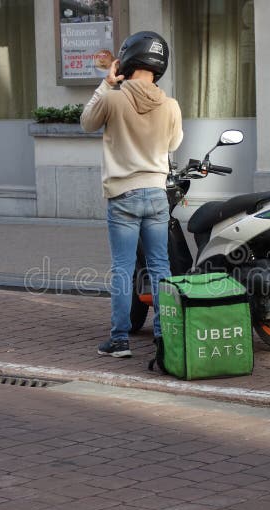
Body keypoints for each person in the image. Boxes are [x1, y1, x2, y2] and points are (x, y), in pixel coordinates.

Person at [81, 31, 183, 357]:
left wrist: (106, 84)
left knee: (123, 269)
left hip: (123, 194)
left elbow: (87, 122)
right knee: (161, 267)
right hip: (156, 194)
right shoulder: (170, 105)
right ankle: (165, 336)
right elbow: (173, 144)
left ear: (127, 60)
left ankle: (120, 340)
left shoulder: (113, 99)